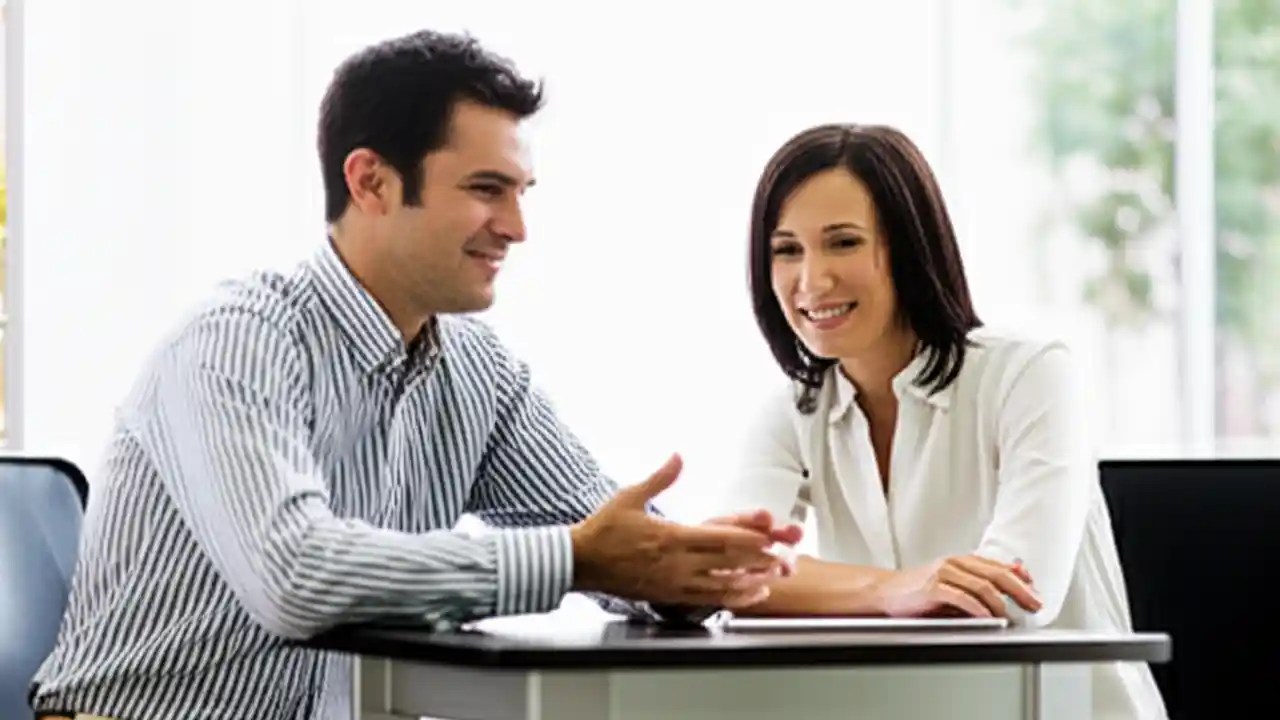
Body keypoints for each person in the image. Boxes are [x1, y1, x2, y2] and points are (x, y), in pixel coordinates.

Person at [29, 30, 800, 720]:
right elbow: (297, 575)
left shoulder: (479, 371)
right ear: (370, 182)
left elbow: (610, 544)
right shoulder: (235, 341)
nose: (518, 229)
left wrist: (690, 569)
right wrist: (575, 557)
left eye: (520, 194)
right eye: (485, 190)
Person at [726, 123, 1167, 719]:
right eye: (787, 250)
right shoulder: (795, 410)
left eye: (844, 242)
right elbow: (724, 573)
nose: (812, 280)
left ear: (908, 247)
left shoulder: (1029, 373)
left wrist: (808, 588)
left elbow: (1015, 595)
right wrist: (890, 591)